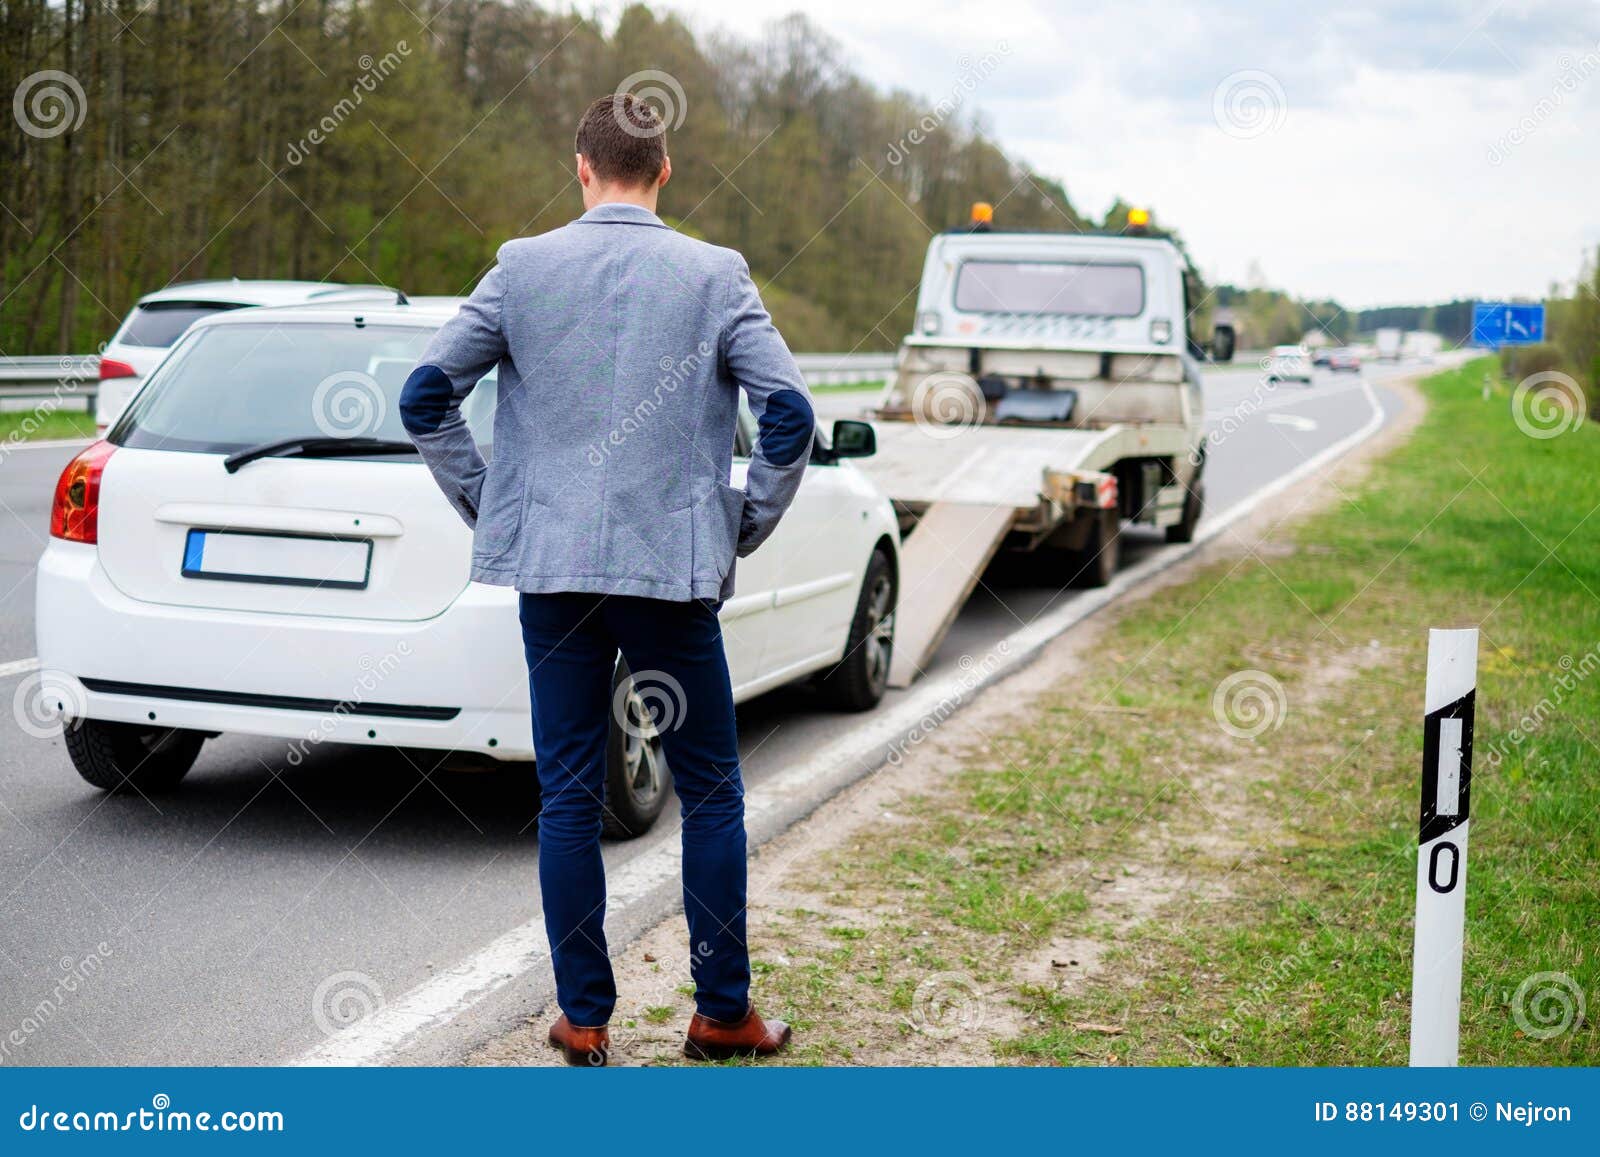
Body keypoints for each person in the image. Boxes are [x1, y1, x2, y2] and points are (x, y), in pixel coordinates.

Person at [399, 93, 813, 1066]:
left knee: (569, 793)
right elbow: (788, 412)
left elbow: (423, 395)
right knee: (708, 790)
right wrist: (735, 522)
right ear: (663, 171)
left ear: (580, 168)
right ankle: (720, 1012)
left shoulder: (521, 266)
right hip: (669, 571)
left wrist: (498, 502)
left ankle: (583, 1017)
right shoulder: (716, 274)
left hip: (556, 570)